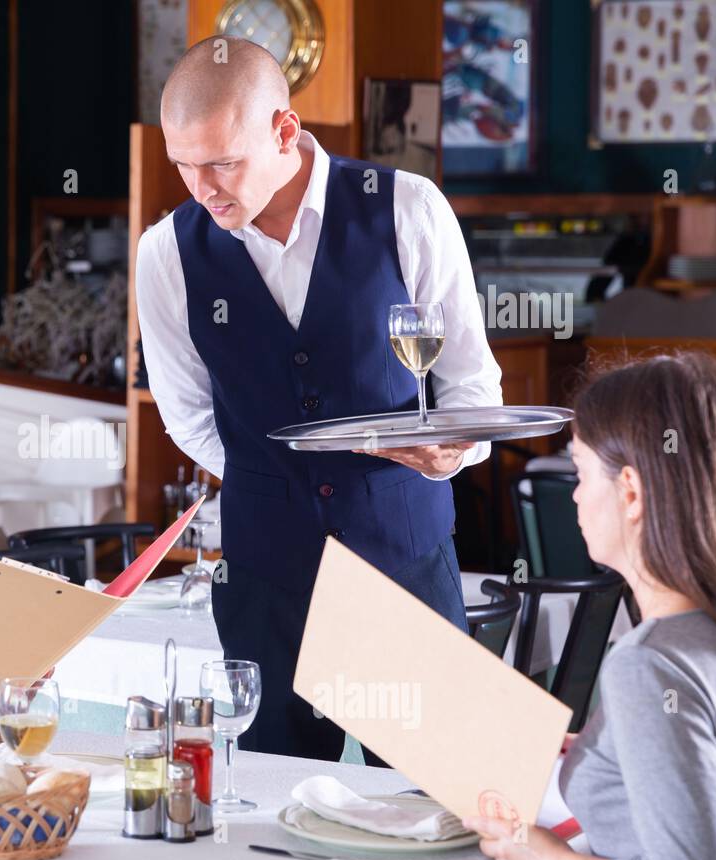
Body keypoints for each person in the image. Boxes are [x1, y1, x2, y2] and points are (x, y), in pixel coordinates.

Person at [135, 36, 502, 761]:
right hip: (265, 577)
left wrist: (449, 451)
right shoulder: (166, 254)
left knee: (447, 794)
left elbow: (472, 388)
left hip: (403, 562)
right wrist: (279, 475)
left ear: (284, 131)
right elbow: (187, 417)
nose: (203, 188)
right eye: (184, 165)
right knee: (272, 811)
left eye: (223, 163)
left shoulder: (405, 210)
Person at [466, 352, 716, 860]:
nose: (575, 495)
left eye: (579, 472)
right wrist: (609, 745)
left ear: (630, 491)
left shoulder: (648, 665)